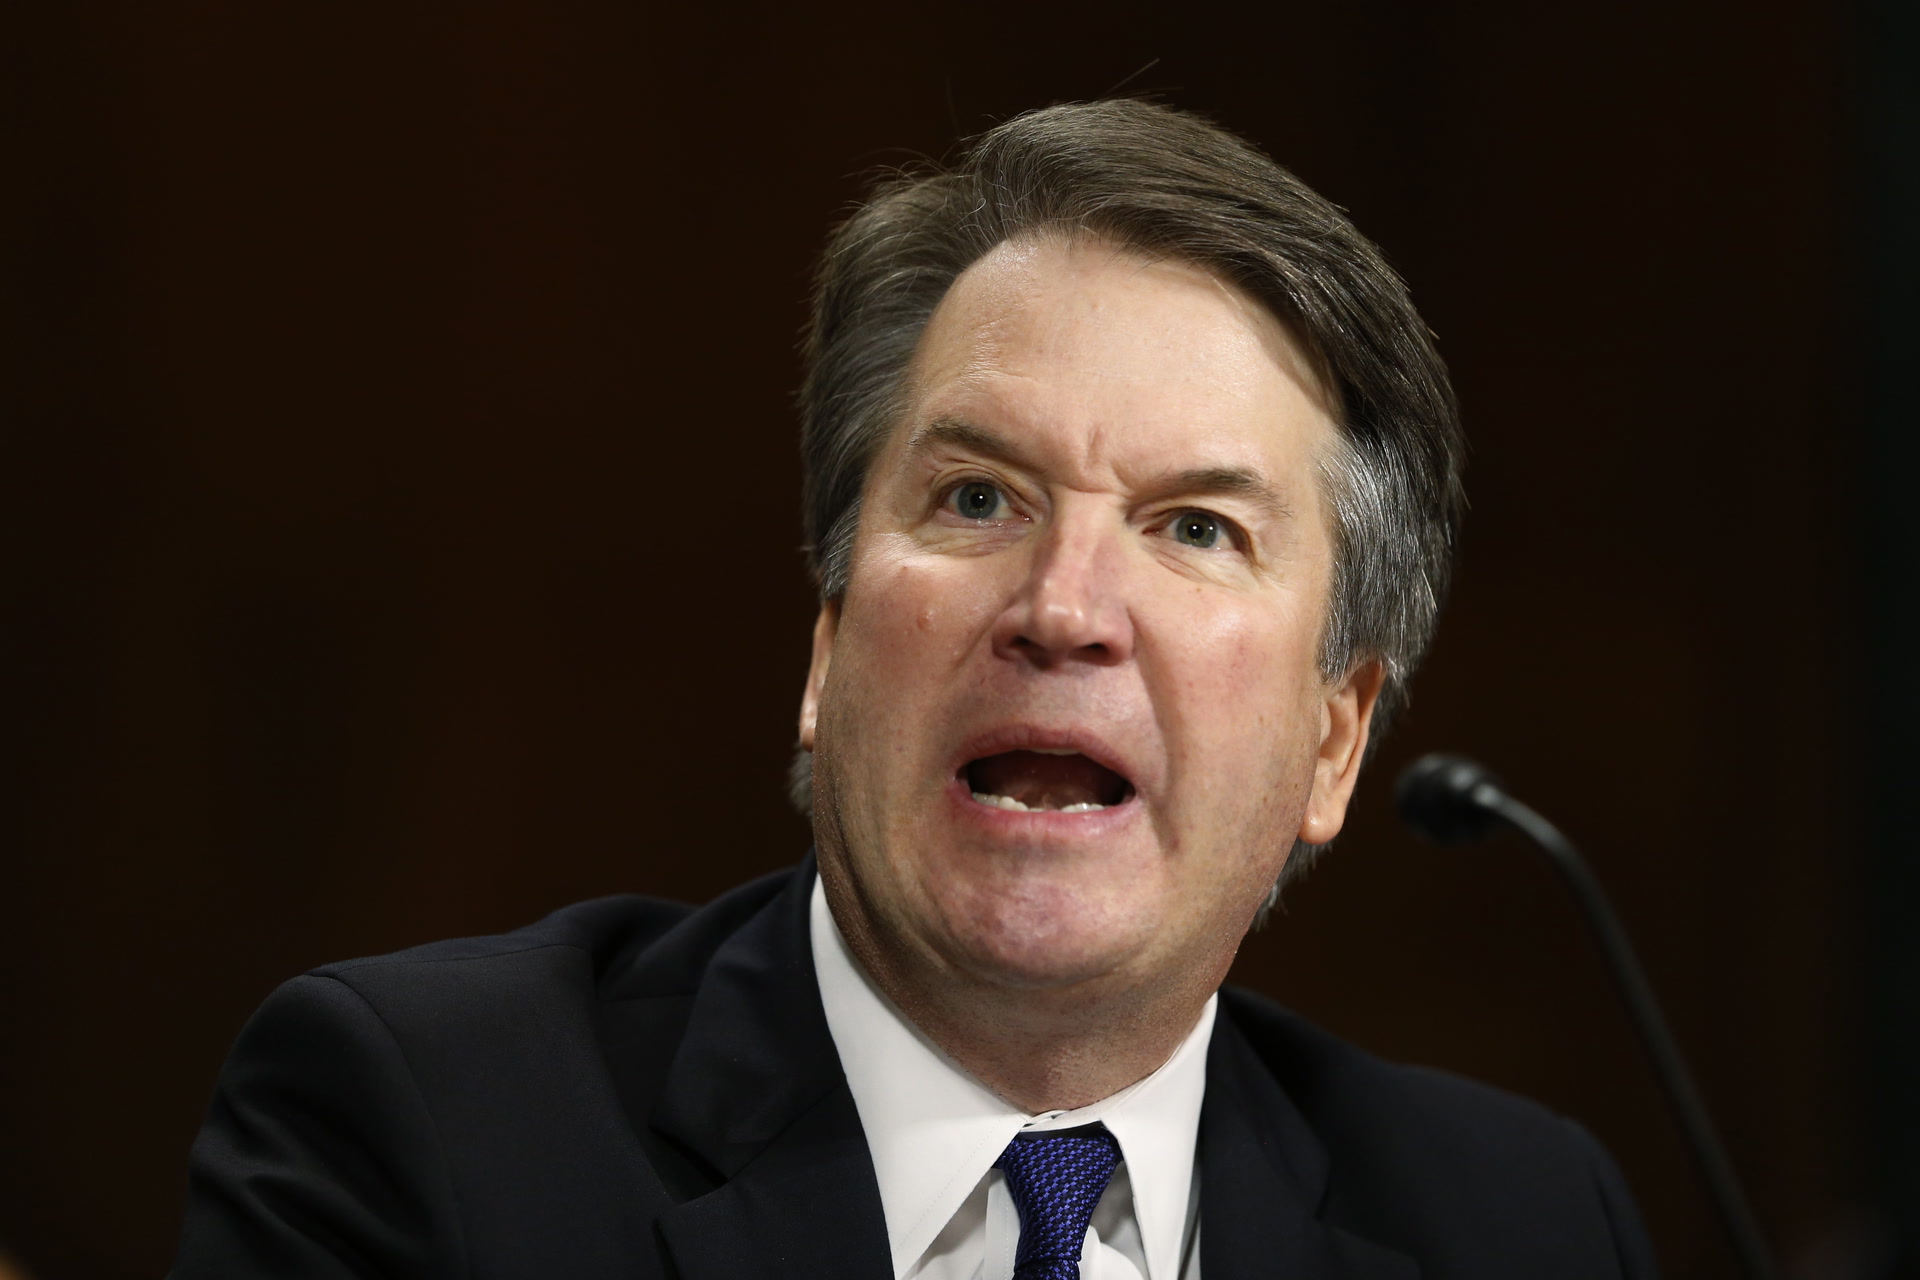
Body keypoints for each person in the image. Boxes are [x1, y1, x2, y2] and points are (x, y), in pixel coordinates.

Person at [172, 99, 1657, 1279]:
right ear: (827, 652)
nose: (1064, 610)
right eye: (977, 499)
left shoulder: (1518, 1227)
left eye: (1196, 529)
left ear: (1336, 739)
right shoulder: (431, 1132)